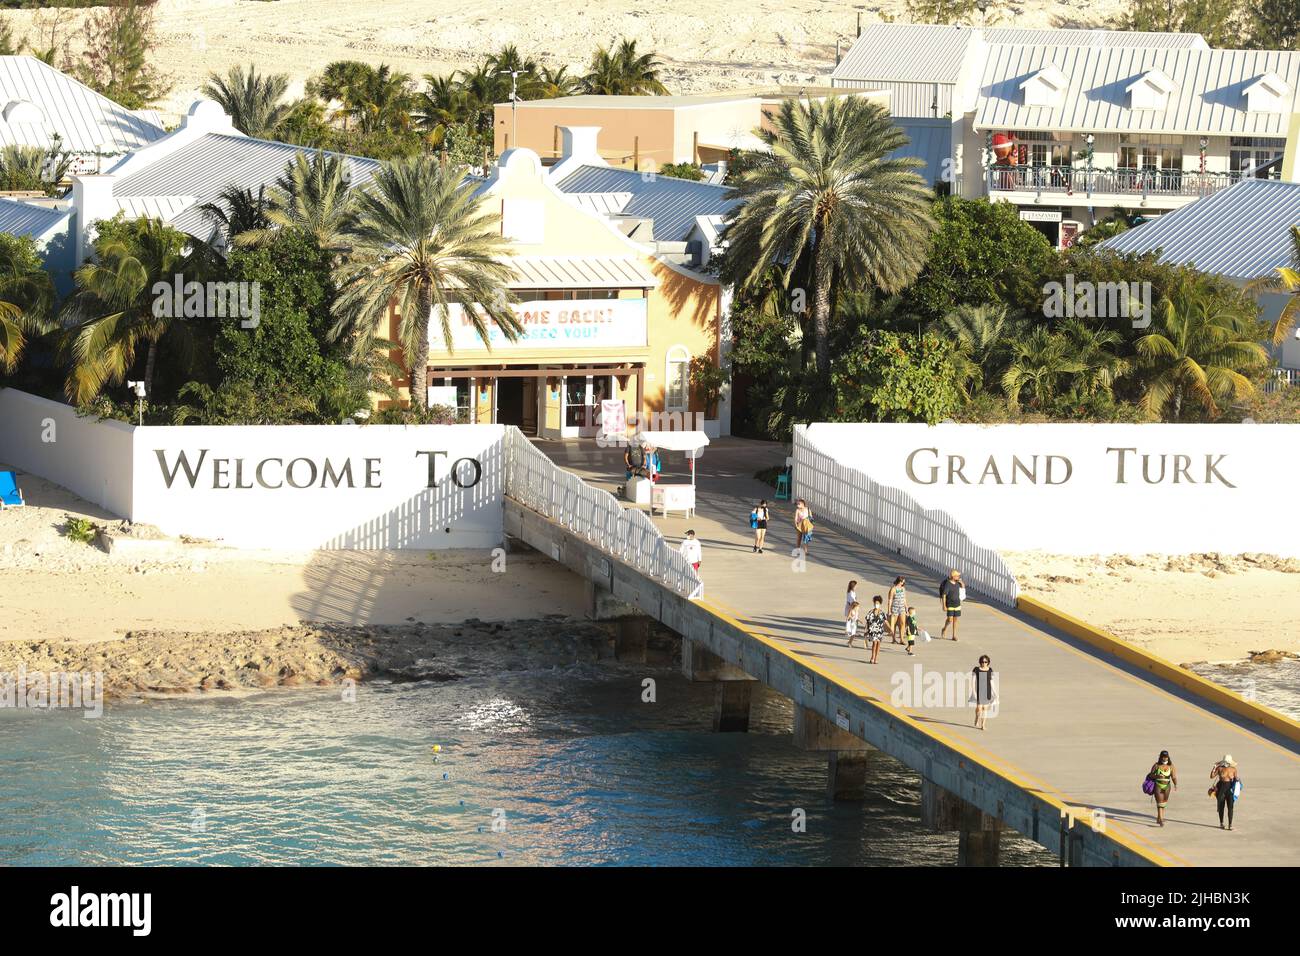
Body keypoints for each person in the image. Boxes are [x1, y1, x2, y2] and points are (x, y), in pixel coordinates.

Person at [1146, 750, 1177, 827]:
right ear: (1160, 757)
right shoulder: (1156, 765)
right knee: (1159, 802)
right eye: (1163, 757)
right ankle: (1161, 819)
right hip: (1158, 785)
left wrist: (1175, 784)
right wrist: (1157, 776)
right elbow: (1150, 775)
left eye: (1166, 757)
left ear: (1168, 757)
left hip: (1167, 786)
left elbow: (1173, 776)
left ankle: (1159, 817)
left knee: (1164, 803)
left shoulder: (1171, 766)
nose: (1164, 758)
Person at [1209, 755, 1240, 831]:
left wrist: (1237, 781)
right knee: (1221, 806)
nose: (1226, 764)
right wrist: (1214, 767)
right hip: (1221, 788)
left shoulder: (1233, 769)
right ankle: (1221, 823)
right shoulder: (1220, 768)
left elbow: (1236, 778)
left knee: (1230, 807)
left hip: (1229, 788)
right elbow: (1211, 776)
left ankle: (1230, 825)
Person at [970, 655, 995, 730]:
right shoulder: (976, 669)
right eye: (982, 662)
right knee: (979, 708)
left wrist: (994, 693)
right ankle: (977, 717)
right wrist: (974, 692)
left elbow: (992, 682)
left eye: (985, 662)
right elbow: (973, 681)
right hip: (979, 691)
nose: (983, 663)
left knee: (985, 708)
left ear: (988, 662)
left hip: (987, 691)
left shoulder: (990, 670)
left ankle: (983, 725)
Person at [939, 569, 964, 641]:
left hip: (957, 604)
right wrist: (944, 605)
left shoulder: (958, 583)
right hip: (950, 604)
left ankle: (954, 635)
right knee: (950, 620)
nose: (959, 577)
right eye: (957, 576)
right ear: (953, 576)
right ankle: (944, 628)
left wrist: (961, 583)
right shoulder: (947, 584)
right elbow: (944, 595)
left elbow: (963, 588)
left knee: (955, 620)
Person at [864, 596, 888, 664]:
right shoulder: (870, 612)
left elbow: (885, 621)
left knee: (878, 644)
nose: (876, 604)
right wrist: (865, 630)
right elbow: (867, 622)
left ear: (880, 604)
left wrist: (891, 630)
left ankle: (876, 658)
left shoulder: (882, 613)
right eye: (875, 603)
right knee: (874, 643)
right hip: (872, 630)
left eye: (877, 603)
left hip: (880, 630)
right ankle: (872, 657)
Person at [887, 576, 908, 645]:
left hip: (902, 608)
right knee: (894, 624)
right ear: (899, 581)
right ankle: (893, 639)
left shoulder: (903, 589)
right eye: (902, 582)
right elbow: (890, 600)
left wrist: (906, 607)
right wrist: (889, 610)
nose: (903, 583)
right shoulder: (893, 589)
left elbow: (904, 598)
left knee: (902, 623)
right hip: (895, 608)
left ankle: (901, 639)